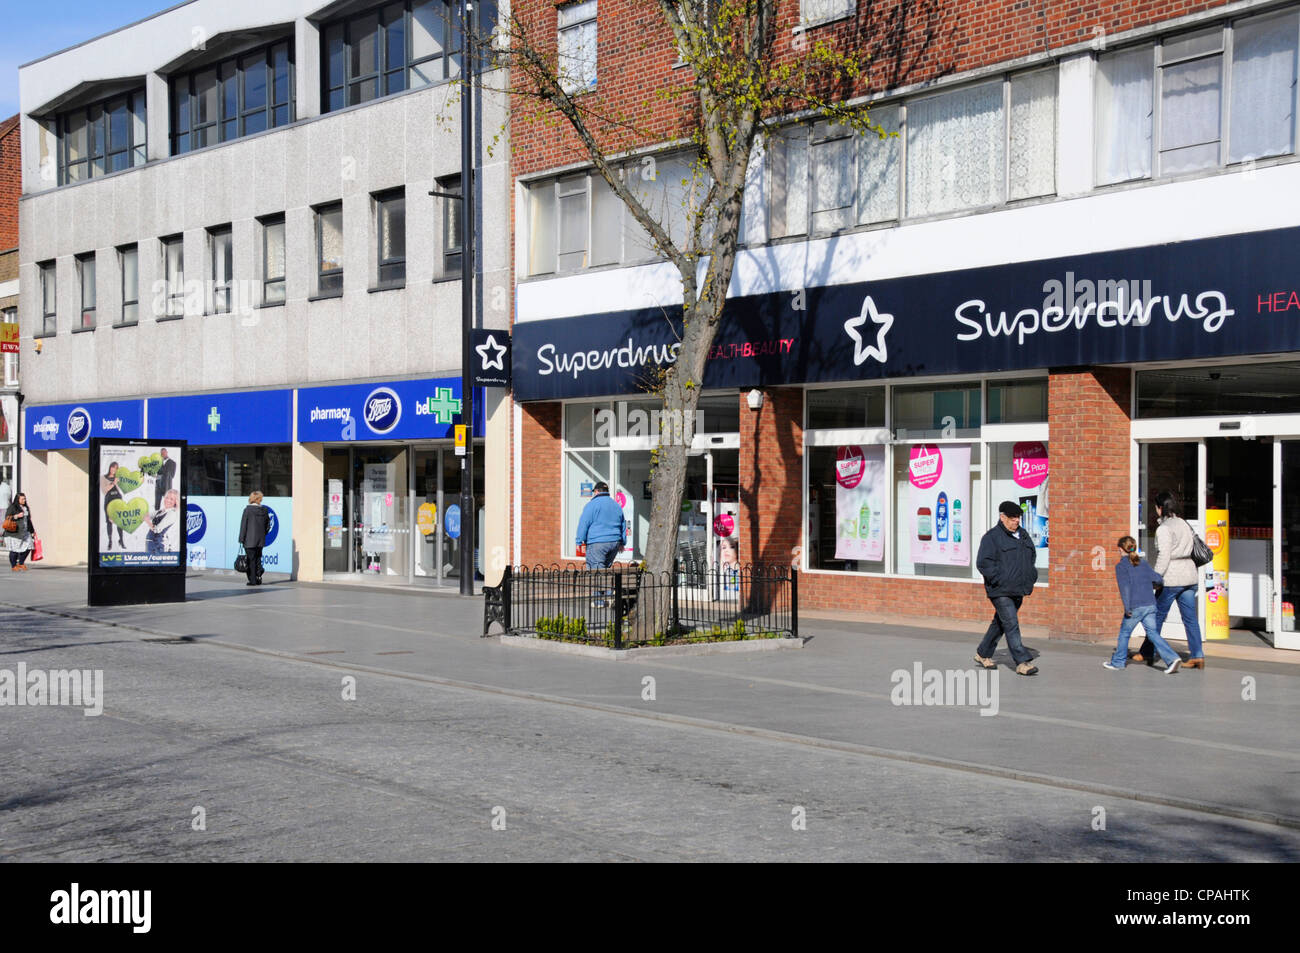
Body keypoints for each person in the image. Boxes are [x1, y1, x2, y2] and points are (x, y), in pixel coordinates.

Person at [1134, 491, 1204, 669]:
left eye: (1156, 507)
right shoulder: (1183, 523)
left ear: (1160, 508)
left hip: (1172, 578)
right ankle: (1197, 655)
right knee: (1190, 619)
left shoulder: (1164, 528)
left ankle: (1147, 652)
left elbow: (1164, 556)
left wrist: (1155, 578)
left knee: (1156, 617)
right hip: (1189, 576)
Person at [974, 501, 1040, 676]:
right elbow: (983, 563)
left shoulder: (1023, 536)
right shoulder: (992, 537)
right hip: (1000, 590)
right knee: (1011, 623)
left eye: (1018, 517)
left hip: (1019, 589)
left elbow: (1031, 557)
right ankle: (1021, 662)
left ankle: (982, 653)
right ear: (1002, 517)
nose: (1016, 521)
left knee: (1001, 623)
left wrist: (1031, 576)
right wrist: (998, 579)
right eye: (1012, 518)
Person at [1105, 536, 1181, 673]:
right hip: (1150, 604)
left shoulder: (1121, 566)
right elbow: (1158, 579)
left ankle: (1118, 662)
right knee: (1153, 633)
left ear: (1120, 549)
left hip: (1135, 606)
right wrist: (1152, 585)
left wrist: (1127, 607)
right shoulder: (1143, 563)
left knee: (1124, 633)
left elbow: (1125, 588)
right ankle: (1172, 658)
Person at [574, 481, 625, 569]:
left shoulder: (592, 505)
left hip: (597, 543)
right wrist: (622, 542)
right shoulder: (616, 505)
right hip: (614, 543)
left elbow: (584, 523)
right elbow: (622, 525)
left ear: (597, 491)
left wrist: (579, 541)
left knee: (596, 574)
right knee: (605, 572)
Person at [238, 490, 270, 585]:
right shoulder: (264, 510)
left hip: (249, 540)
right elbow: (268, 526)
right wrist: (263, 534)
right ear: (259, 499)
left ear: (252, 499)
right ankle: (258, 577)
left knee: (251, 560)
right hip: (260, 540)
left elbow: (244, 526)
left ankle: (252, 580)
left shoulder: (247, 510)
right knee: (258, 559)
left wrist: (241, 539)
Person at [4, 492, 36, 572]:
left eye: (24, 499)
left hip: (25, 532)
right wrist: (16, 516)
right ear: (18, 499)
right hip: (14, 532)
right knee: (14, 550)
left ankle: (21, 563)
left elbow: (28, 520)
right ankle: (13, 565)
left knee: (29, 547)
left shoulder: (26, 508)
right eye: (22, 499)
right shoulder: (12, 507)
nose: (24, 500)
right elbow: (7, 517)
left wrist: (32, 531)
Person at [146, 488, 180, 556]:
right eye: (167, 497)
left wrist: (148, 521)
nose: (168, 500)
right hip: (151, 545)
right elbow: (147, 515)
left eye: (171, 499)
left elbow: (157, 529)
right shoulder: (161, 511)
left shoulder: (172, 513)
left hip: (158, 547)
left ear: (176, 502)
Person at [101, 461, 126, 550]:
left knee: (119, 521)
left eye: (116, 468)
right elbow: (104, 490)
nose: (114, 469)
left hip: (118, 501)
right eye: (112, 467)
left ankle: (121, 540)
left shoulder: (118, 478)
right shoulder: (103, 478)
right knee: (109, 522)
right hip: (109, 501)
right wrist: (113, 483)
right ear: (110, 467)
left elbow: (123, 490)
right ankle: (110, 541)